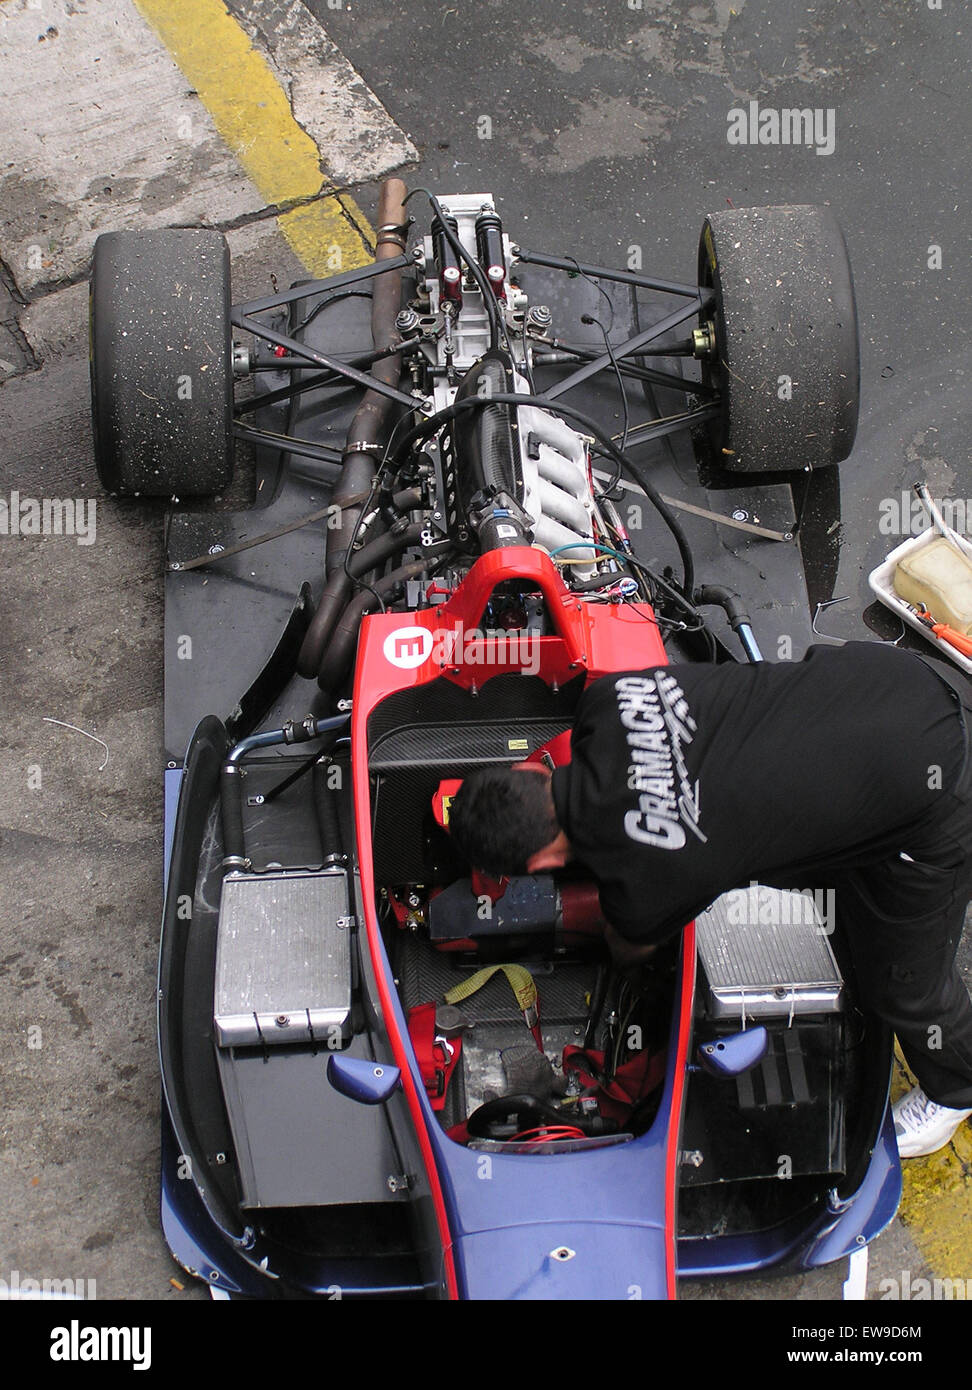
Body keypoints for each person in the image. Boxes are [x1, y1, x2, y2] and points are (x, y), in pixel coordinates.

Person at [447, 641, 972, 1158]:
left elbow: (631, 947)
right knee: (802, 845)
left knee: (903, 986)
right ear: (529, 771)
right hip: (891, 678)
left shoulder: (645, 887)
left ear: (539, 866)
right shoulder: (608, 697)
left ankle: (956, 1089)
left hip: (932, 788)